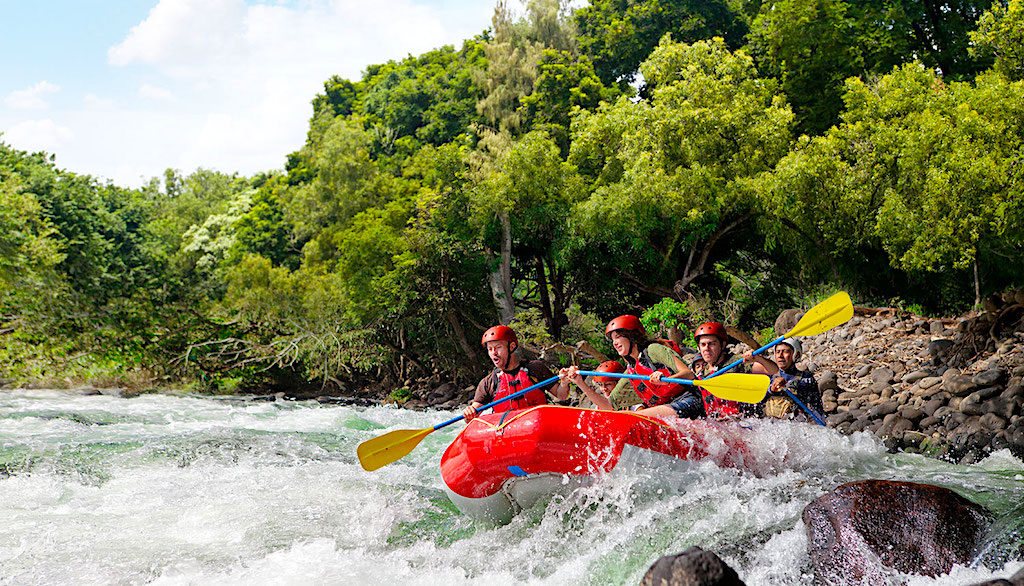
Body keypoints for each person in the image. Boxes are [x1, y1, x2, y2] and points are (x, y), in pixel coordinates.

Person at [590, 315, 705, 420]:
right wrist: (579, 381)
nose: (615, 343)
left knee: (632, 418)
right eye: (613, 339)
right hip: (667, 408)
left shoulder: (653, 350)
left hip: (689, 401)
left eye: (618, 337)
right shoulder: (631, 371)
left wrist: (666, 380)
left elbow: (688, 374)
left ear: (632, 336)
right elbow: (608, 405)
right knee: (625, 418)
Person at [462, 325, 569, 422]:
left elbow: (561, 395)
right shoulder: (488, 382)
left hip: (538, 425)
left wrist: (564, 383)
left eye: (498, 347)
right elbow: (471, 418)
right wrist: (469, 412)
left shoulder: (535, 368)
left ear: (512, 346)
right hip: (508, 434)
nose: (493, 352)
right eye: (490, 349)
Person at [690, 322, 778, 418]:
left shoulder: (737, 362)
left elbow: (773, 370)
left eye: (712, 344)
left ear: (723, 345)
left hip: (742, 421)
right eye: (703, 345)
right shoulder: (701, 374)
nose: (706, 348)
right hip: (716, 423)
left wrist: (759, 359)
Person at [760, 338, 824, 421]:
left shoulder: (806, 379)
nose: (780, 355)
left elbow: (817, 408)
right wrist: (771, 389)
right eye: (778, 352)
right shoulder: (769, 378)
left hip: (795, 426)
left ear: (796, 355)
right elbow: (757, 401)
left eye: (785, 351)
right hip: (769, 426)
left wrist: (788, 386)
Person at [559, 360, 624, 411]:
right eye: (601, 385)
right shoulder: (599, 405)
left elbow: (609, 406)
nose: (604, 388)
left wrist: (580, 382)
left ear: (619, 383)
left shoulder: (629, 403)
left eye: (608, 384)